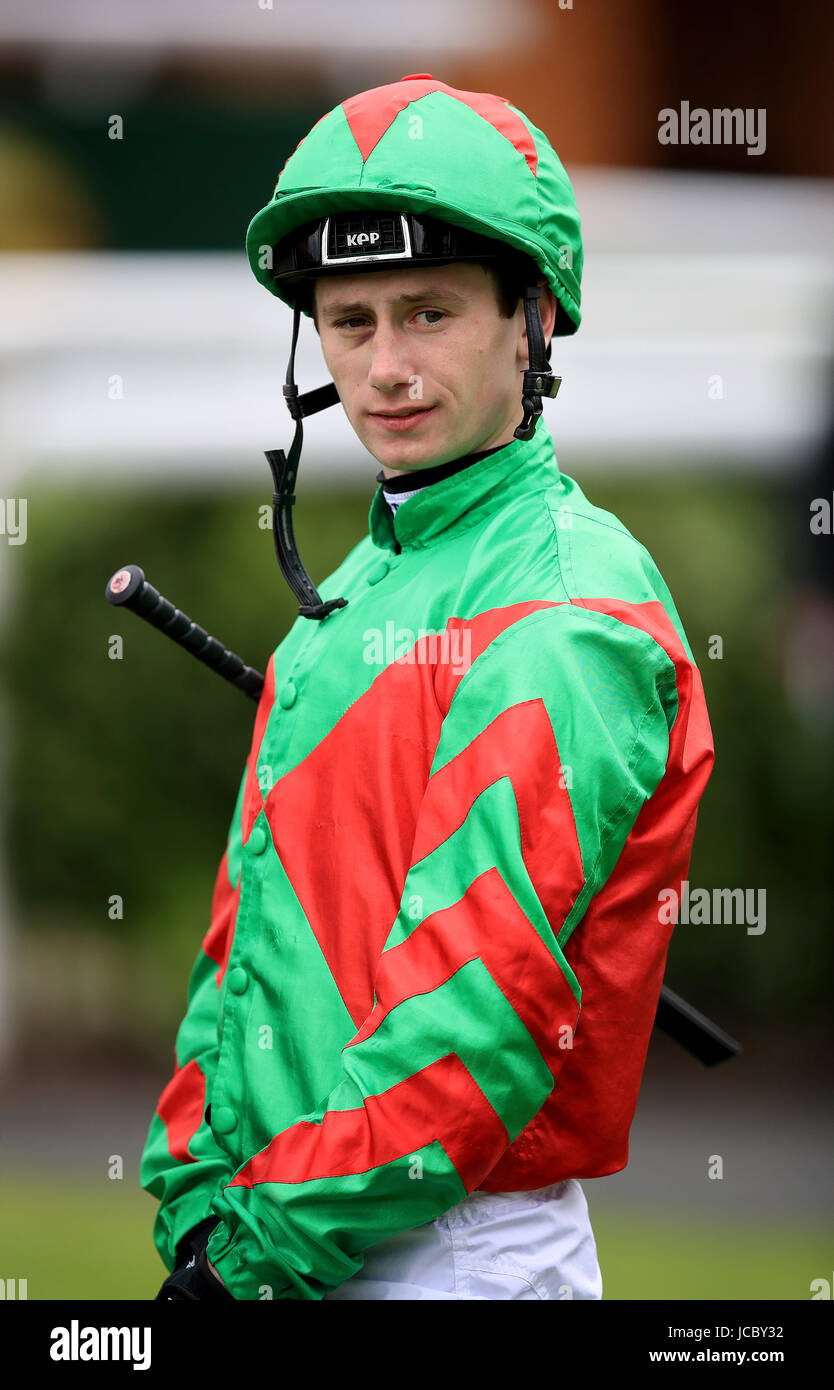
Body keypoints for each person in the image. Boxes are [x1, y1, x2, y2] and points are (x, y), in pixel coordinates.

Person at [141, 74, 715, 1301]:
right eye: (351, 323)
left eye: (428, 312)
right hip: (291, 1226)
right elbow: (249, 933)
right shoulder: (357, 586)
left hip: (445, 1250)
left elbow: (475, 1010)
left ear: (533, 318)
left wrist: (245, 1259)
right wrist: (192, 1186)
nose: (387, 367)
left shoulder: (568, 612)